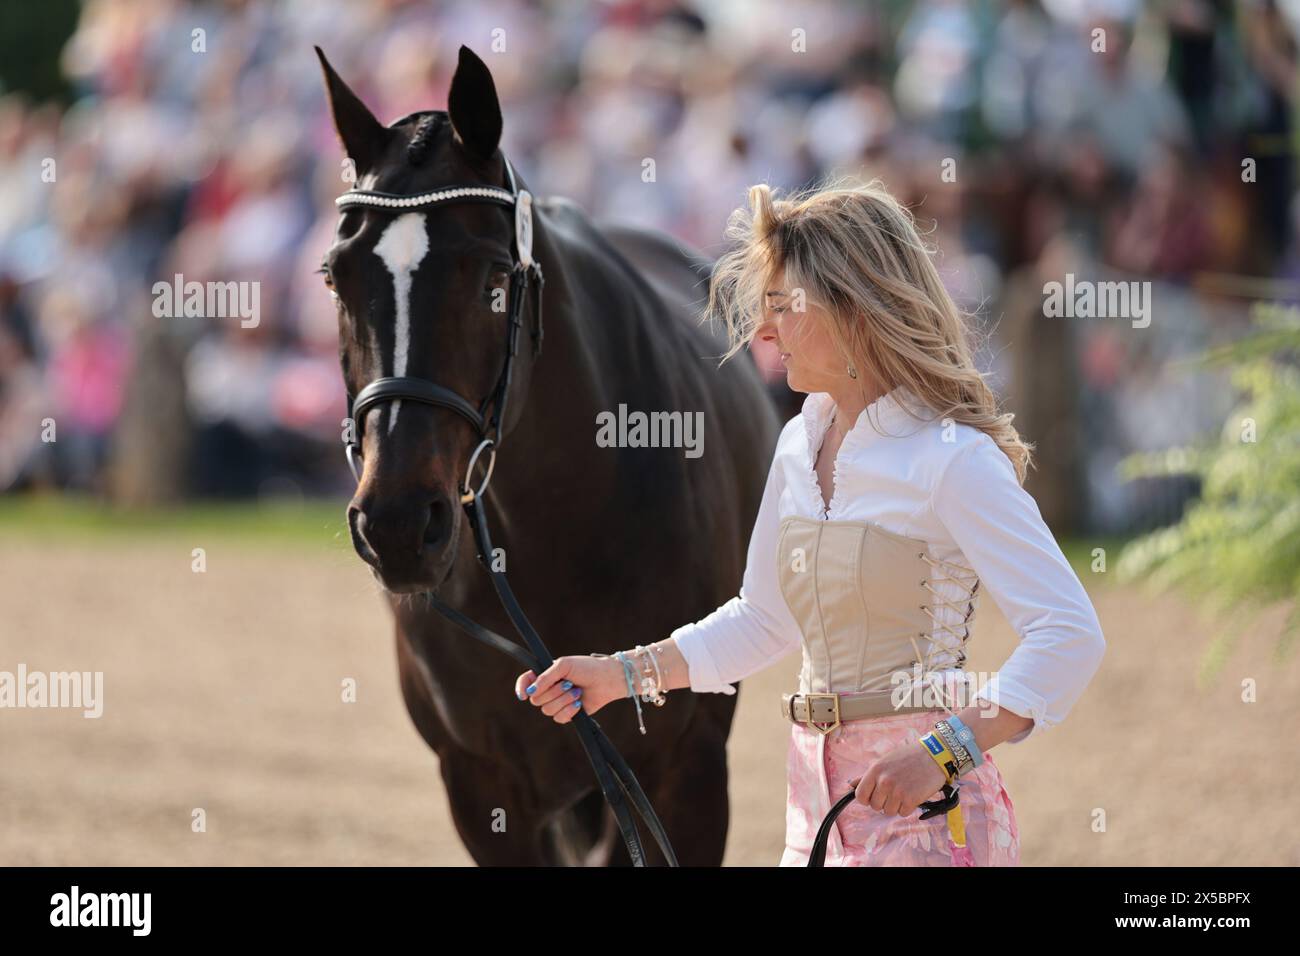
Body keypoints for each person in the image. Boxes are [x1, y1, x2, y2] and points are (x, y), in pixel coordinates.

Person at [514, 179, 1106, 866]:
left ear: (852, 307)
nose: (763, 332)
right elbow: (762, 619)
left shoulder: (954, 458)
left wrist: (943, 752)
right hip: (813, 811)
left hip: (929, 818)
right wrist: (617, 675)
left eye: (782, 308)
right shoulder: (798, 442)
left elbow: (1069, 633)